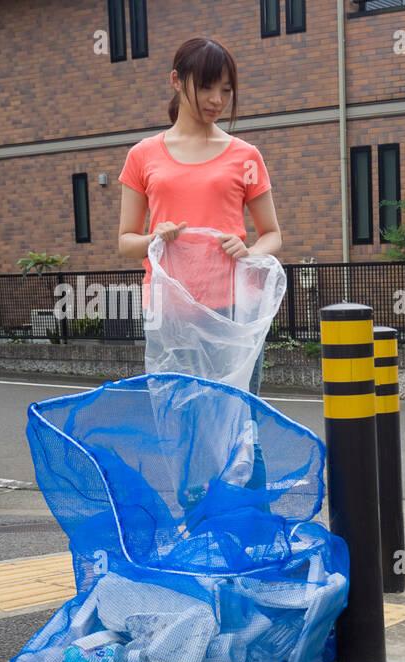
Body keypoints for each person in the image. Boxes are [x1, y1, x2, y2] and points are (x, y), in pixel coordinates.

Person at [117, 36, 282, 395]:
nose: (217, 101)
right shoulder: (142, 156)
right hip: (170, 313)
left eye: (226, 90)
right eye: (206, 87)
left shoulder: (245, 155)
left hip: (234, 307)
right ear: (176, 80)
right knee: (183, 421)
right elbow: (126, 243)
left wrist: (249, 252)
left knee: (239, 420)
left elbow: (271, 234)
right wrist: (154, 238)